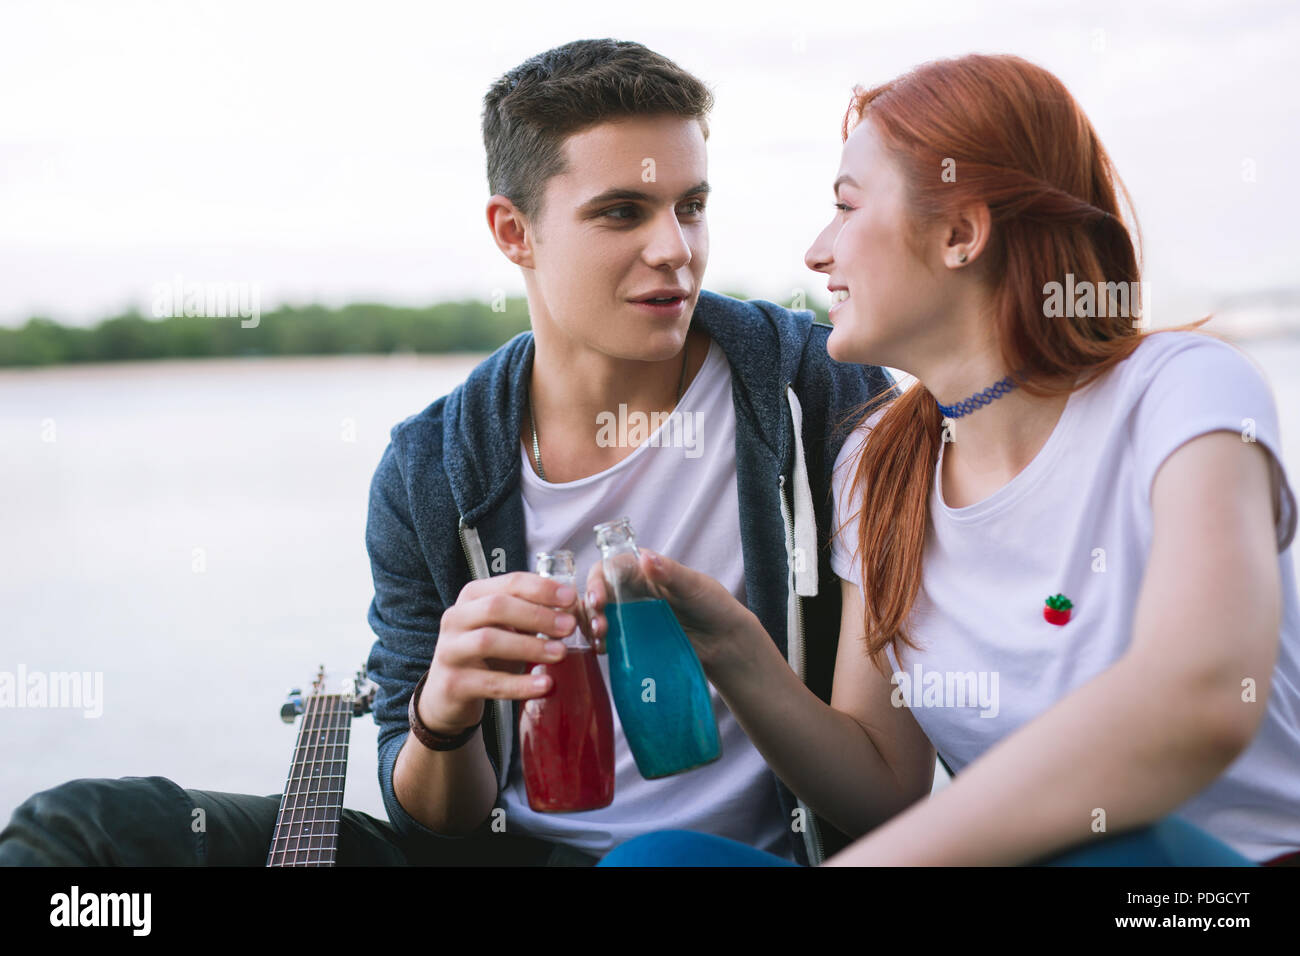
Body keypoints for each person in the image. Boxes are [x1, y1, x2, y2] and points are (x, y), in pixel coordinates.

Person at [0, 38, 889, 866]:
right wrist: (442, 716)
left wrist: (739, 653)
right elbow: (432, 818)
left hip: (720, 860)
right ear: (513, 233)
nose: (676, 250)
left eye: (690, 207)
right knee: (82, 830)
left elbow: (887, 782)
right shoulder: (432, 466)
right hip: (504, 854)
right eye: (623, 212)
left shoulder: (816, 394)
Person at [590, 53, 1300, 867]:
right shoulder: (875, 461)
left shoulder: (1184, 391)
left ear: (961, 233)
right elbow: (887, 782)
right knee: (655, 865)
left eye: (846, 208)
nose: (819, 252)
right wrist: (735, 651)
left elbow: (1202, 701)